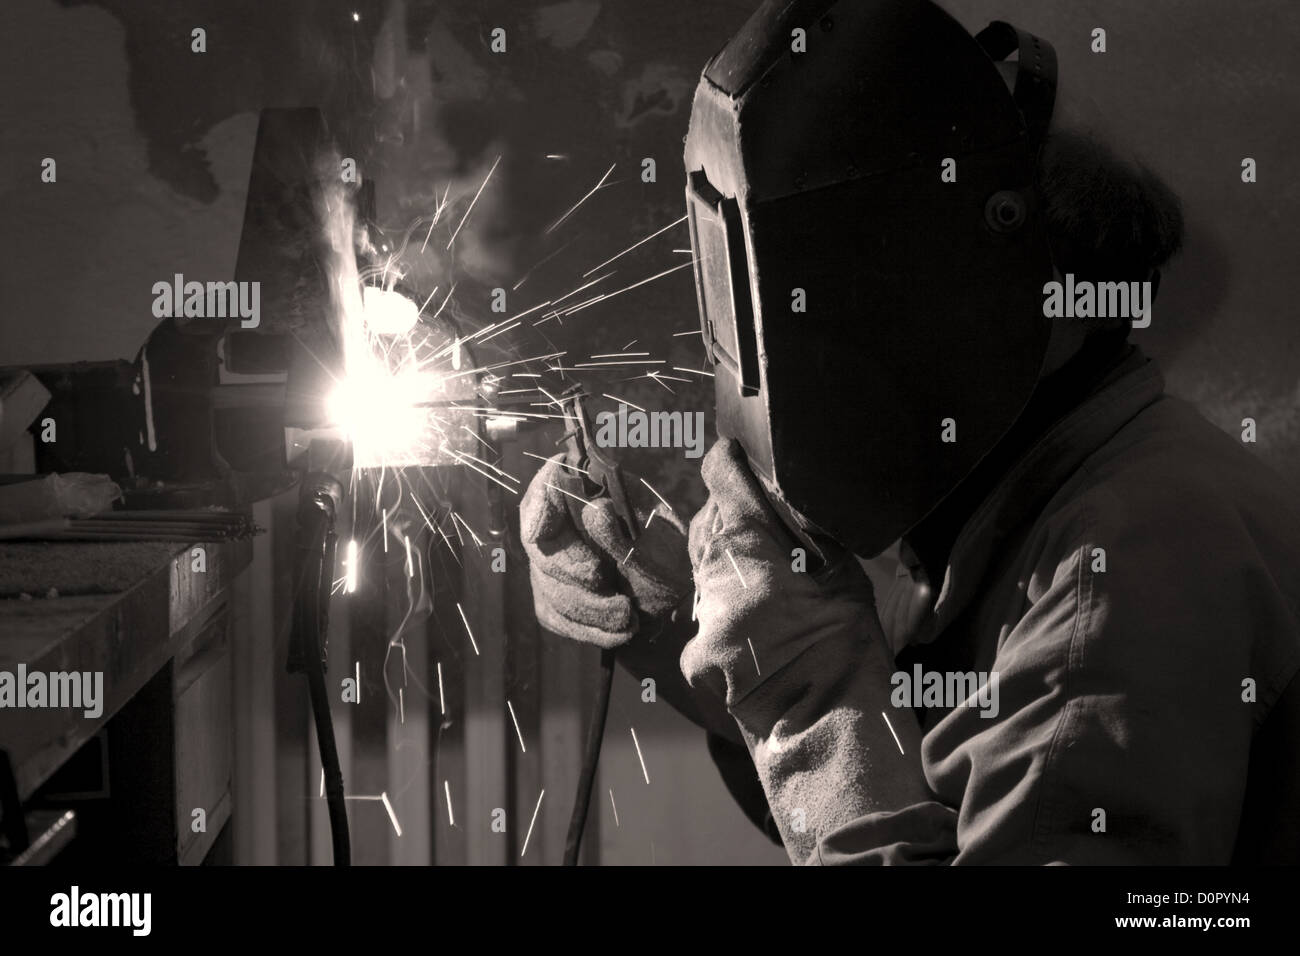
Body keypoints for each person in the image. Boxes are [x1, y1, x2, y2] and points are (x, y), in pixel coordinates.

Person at [521, 0, 1300, 864]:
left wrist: (804, 674)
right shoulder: (997, 517)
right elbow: (885, 805)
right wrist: (677, 630)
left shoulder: (1121, 570)